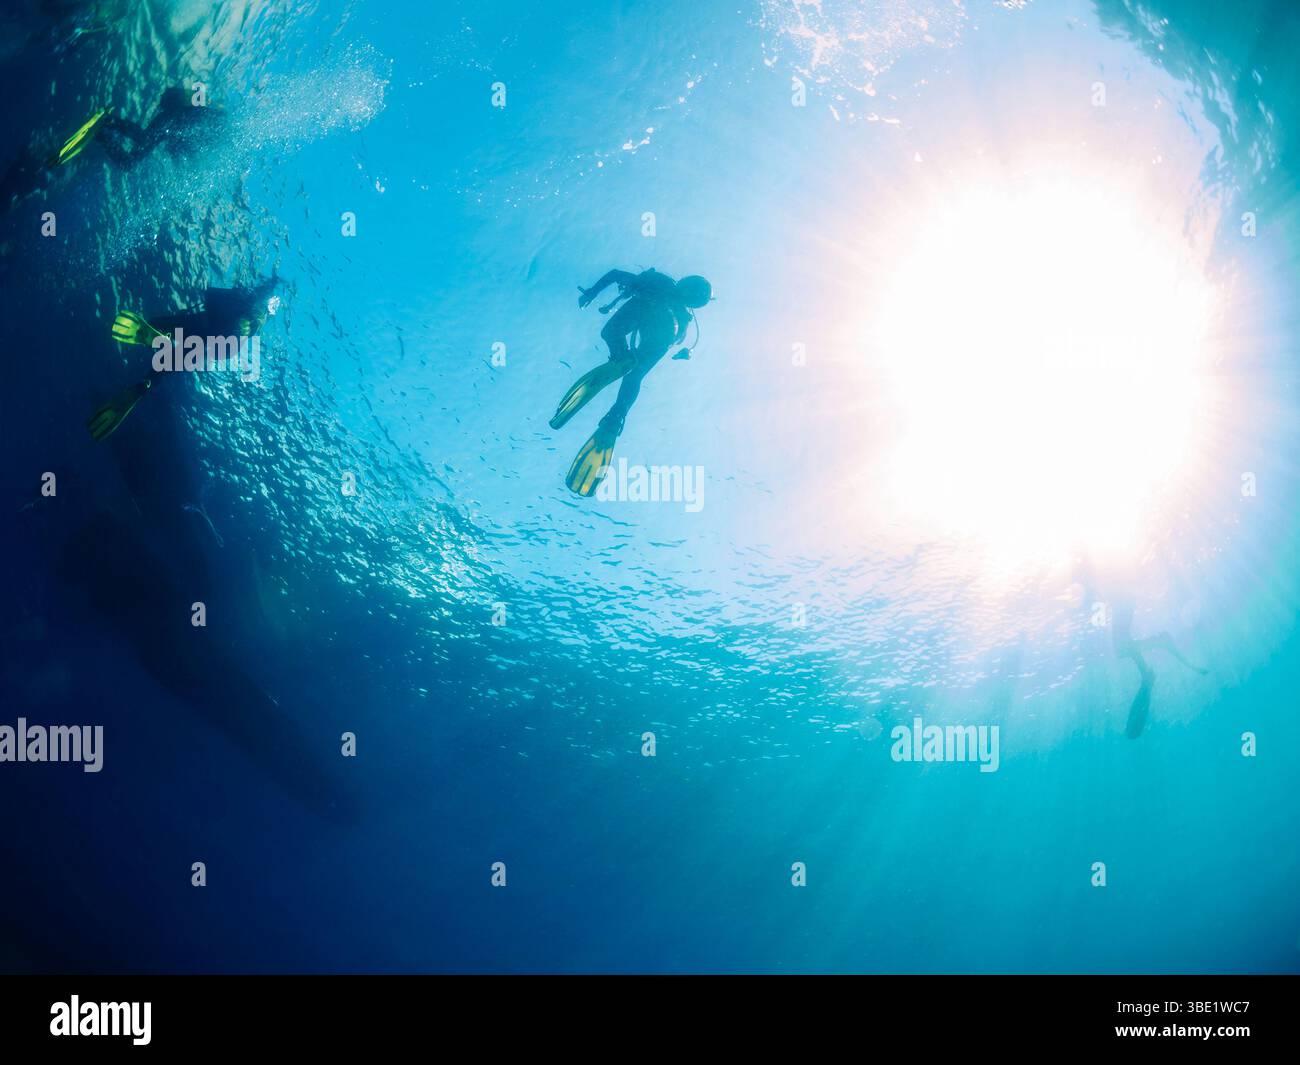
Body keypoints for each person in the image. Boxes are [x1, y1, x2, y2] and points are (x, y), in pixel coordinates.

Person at [551, 268, 711, 496]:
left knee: (611, 334)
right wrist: (686, 352)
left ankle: (622, 356)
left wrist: (591, 292)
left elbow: (616, 273)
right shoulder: (684, 316)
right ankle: (616, 416)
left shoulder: (659, 283)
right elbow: (687, 343)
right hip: (667, 331)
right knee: (635, 375)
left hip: (648, 307)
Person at [87, 278, 278, 442]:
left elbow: (213, 296)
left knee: (158, 325)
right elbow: (222, 352)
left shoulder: (248, 302)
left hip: (199, 324)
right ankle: (143, 385)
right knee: (169, 364)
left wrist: (267, 284)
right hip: (207, 342)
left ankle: (164, 339)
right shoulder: (254, 321)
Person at [1112, 598, 1208, 738]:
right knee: (1121, 650)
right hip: (1122, 595)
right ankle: (1153, 659)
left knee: (1121, 650)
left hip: (1122, 595)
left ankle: (1153, 660)